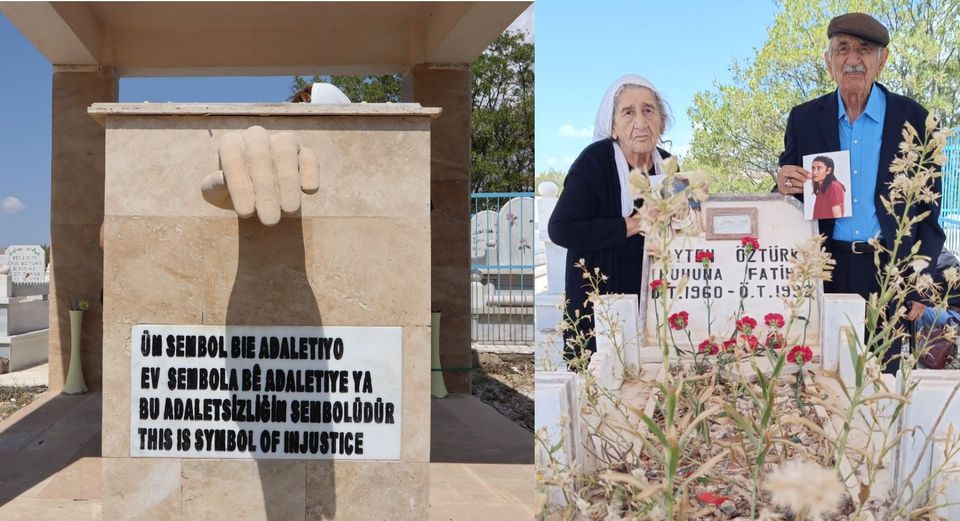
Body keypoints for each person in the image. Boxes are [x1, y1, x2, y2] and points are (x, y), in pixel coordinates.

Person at [775, 13, 945, 373]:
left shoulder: (914, 119)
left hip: (888, 270)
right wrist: (781, 184)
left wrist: (918, 284)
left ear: (881, 61)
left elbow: (930, 215)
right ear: (829, 61)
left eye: (864, 50)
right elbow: (790, 198)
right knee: (823, 371)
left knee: (884, 373)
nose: (853, 59)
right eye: (843, 49)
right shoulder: (804, 118)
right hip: (825, 267)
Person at [548, 75, 674, 363]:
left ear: (661, 123)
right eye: (628, 112)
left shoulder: (668, 165)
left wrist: (692, 203)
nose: (640, 121)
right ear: (613, 127)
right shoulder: (594, 162)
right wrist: (631, 225)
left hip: (652, 298)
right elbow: (560, 229)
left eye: (648, 110)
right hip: (598, 295)